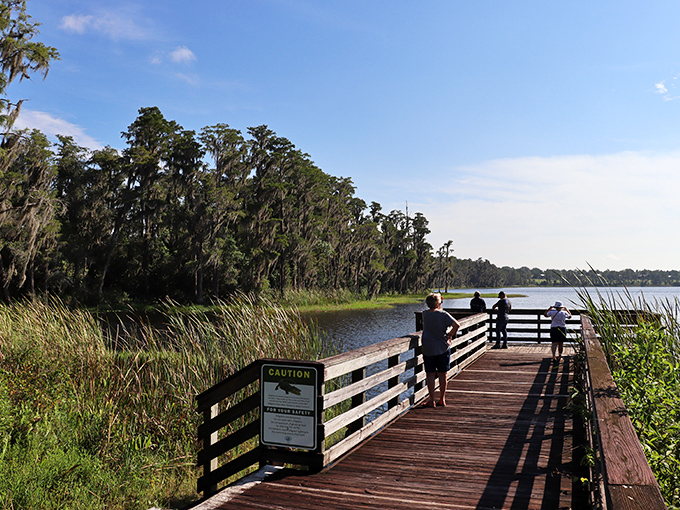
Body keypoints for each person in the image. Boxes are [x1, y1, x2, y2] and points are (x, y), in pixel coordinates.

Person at [421, 292, 460, 407]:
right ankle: (442, 399)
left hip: (428, 348)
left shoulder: (424, 314)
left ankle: (432, 400)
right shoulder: (443, 314)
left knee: (430, 375)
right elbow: (456, 325)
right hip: (442, 347)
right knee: (443, 374)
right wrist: (450, 335)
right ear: (438, 303)